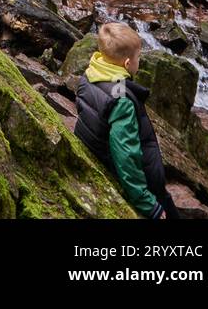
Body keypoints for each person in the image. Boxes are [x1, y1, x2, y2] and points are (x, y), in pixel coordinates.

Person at [74, 20, 179, 219]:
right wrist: (149, 204)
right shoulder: (121, 98)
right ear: (127, 64)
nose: (140, 61)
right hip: (138, 182)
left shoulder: (90, 74)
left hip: (97, 150)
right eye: (139, 57)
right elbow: (126, 155)